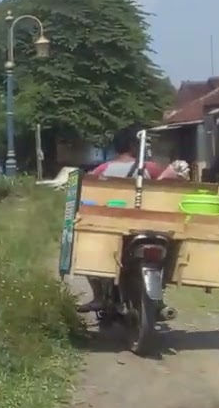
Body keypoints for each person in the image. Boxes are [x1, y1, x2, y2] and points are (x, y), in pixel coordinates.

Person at [77, 124, 183, 313]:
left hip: (114, 228)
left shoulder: (103, 169)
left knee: (87, 248)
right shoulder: (150, 168)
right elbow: (172, 186)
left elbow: (87, 194)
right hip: (150, 226)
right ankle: (159, 291)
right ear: (135, 146)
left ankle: (99, 297)